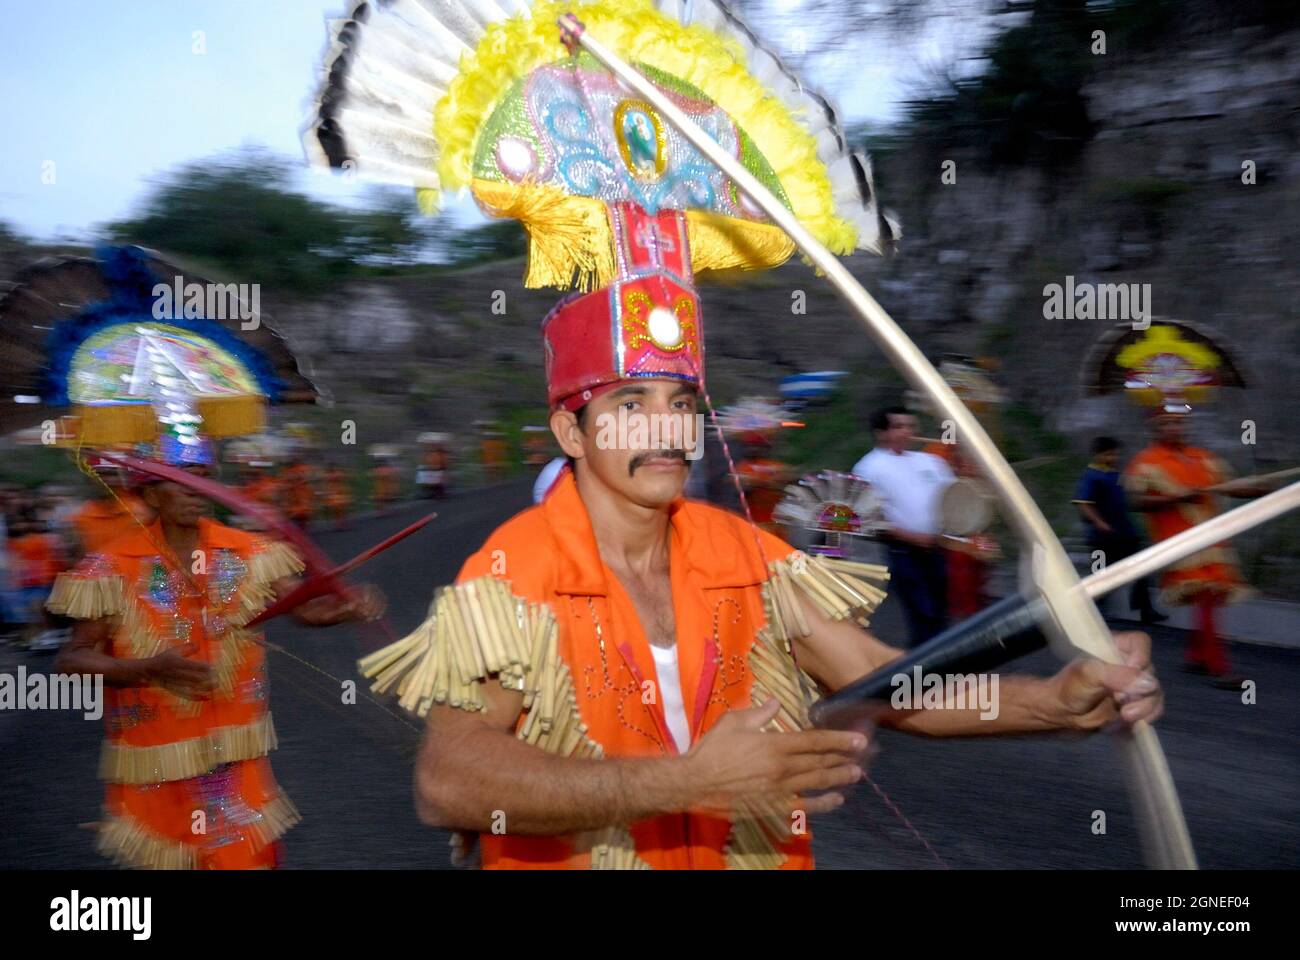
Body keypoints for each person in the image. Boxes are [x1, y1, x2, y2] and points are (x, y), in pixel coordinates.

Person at [361, 206, 1166, 871]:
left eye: (681, 402)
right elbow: (449, 779)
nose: (667, 430)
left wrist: (1052, 703)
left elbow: (887, 682)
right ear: (570, 432)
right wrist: (686, 781)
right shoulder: (511, 570)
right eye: (630, 405)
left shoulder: (741, 550)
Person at [50, 440, 384, 869]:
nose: (195, 490)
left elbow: (303, 609)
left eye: (202, 479)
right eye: (180, 482)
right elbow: (73, 659)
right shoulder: (109, 567)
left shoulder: (249, 550)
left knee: (244, 858)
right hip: (155, 757)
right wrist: (148, 669)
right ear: (150, 494)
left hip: (233, 751)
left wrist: (341, 608)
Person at [1123, 411, 1261, 687]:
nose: (1175, 427)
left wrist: (1263, 491)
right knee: (1208, 597)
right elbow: (1135, 501)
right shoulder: (1145, 463)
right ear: (1154, 428)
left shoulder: (1204, 457)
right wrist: (1178, 496)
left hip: (1213, 541)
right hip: (1181, 543)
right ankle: (1218, 668)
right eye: (1167, 423)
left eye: (1179, 422)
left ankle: (1196, 656)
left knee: (1211, 599)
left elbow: (1230, 487)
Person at [852, 406, 955, 645]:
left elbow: (952, 495)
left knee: (940, 612)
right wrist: (913, 537)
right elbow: (867, 518)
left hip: (937, 550)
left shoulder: (930, 461)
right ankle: (923, 674)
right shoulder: (868, 467)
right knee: (923, 614)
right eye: (899, 426)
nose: (907, 431)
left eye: (910, 426)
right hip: (905, 552)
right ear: (881, 433)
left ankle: (945, 668)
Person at [1073, 436, 1163, 624]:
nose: (1113, 457)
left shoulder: (1115, 475)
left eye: (1115, 453)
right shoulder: (1091, 476)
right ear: (1098, 454)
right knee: (1100, 572)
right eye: (1109, 454)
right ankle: (1095, 610)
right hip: (1100, 537)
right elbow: (1083, 504)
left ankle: (1146, 610)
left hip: (1124, 533)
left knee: (1141, 568)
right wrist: (1098, 522)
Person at [68, 456, 155, 556]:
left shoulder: (142, 515)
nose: (107, 480)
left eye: (113, 474)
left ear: (122, 478)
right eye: (101, 474)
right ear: (92, 478)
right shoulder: (80, 519)